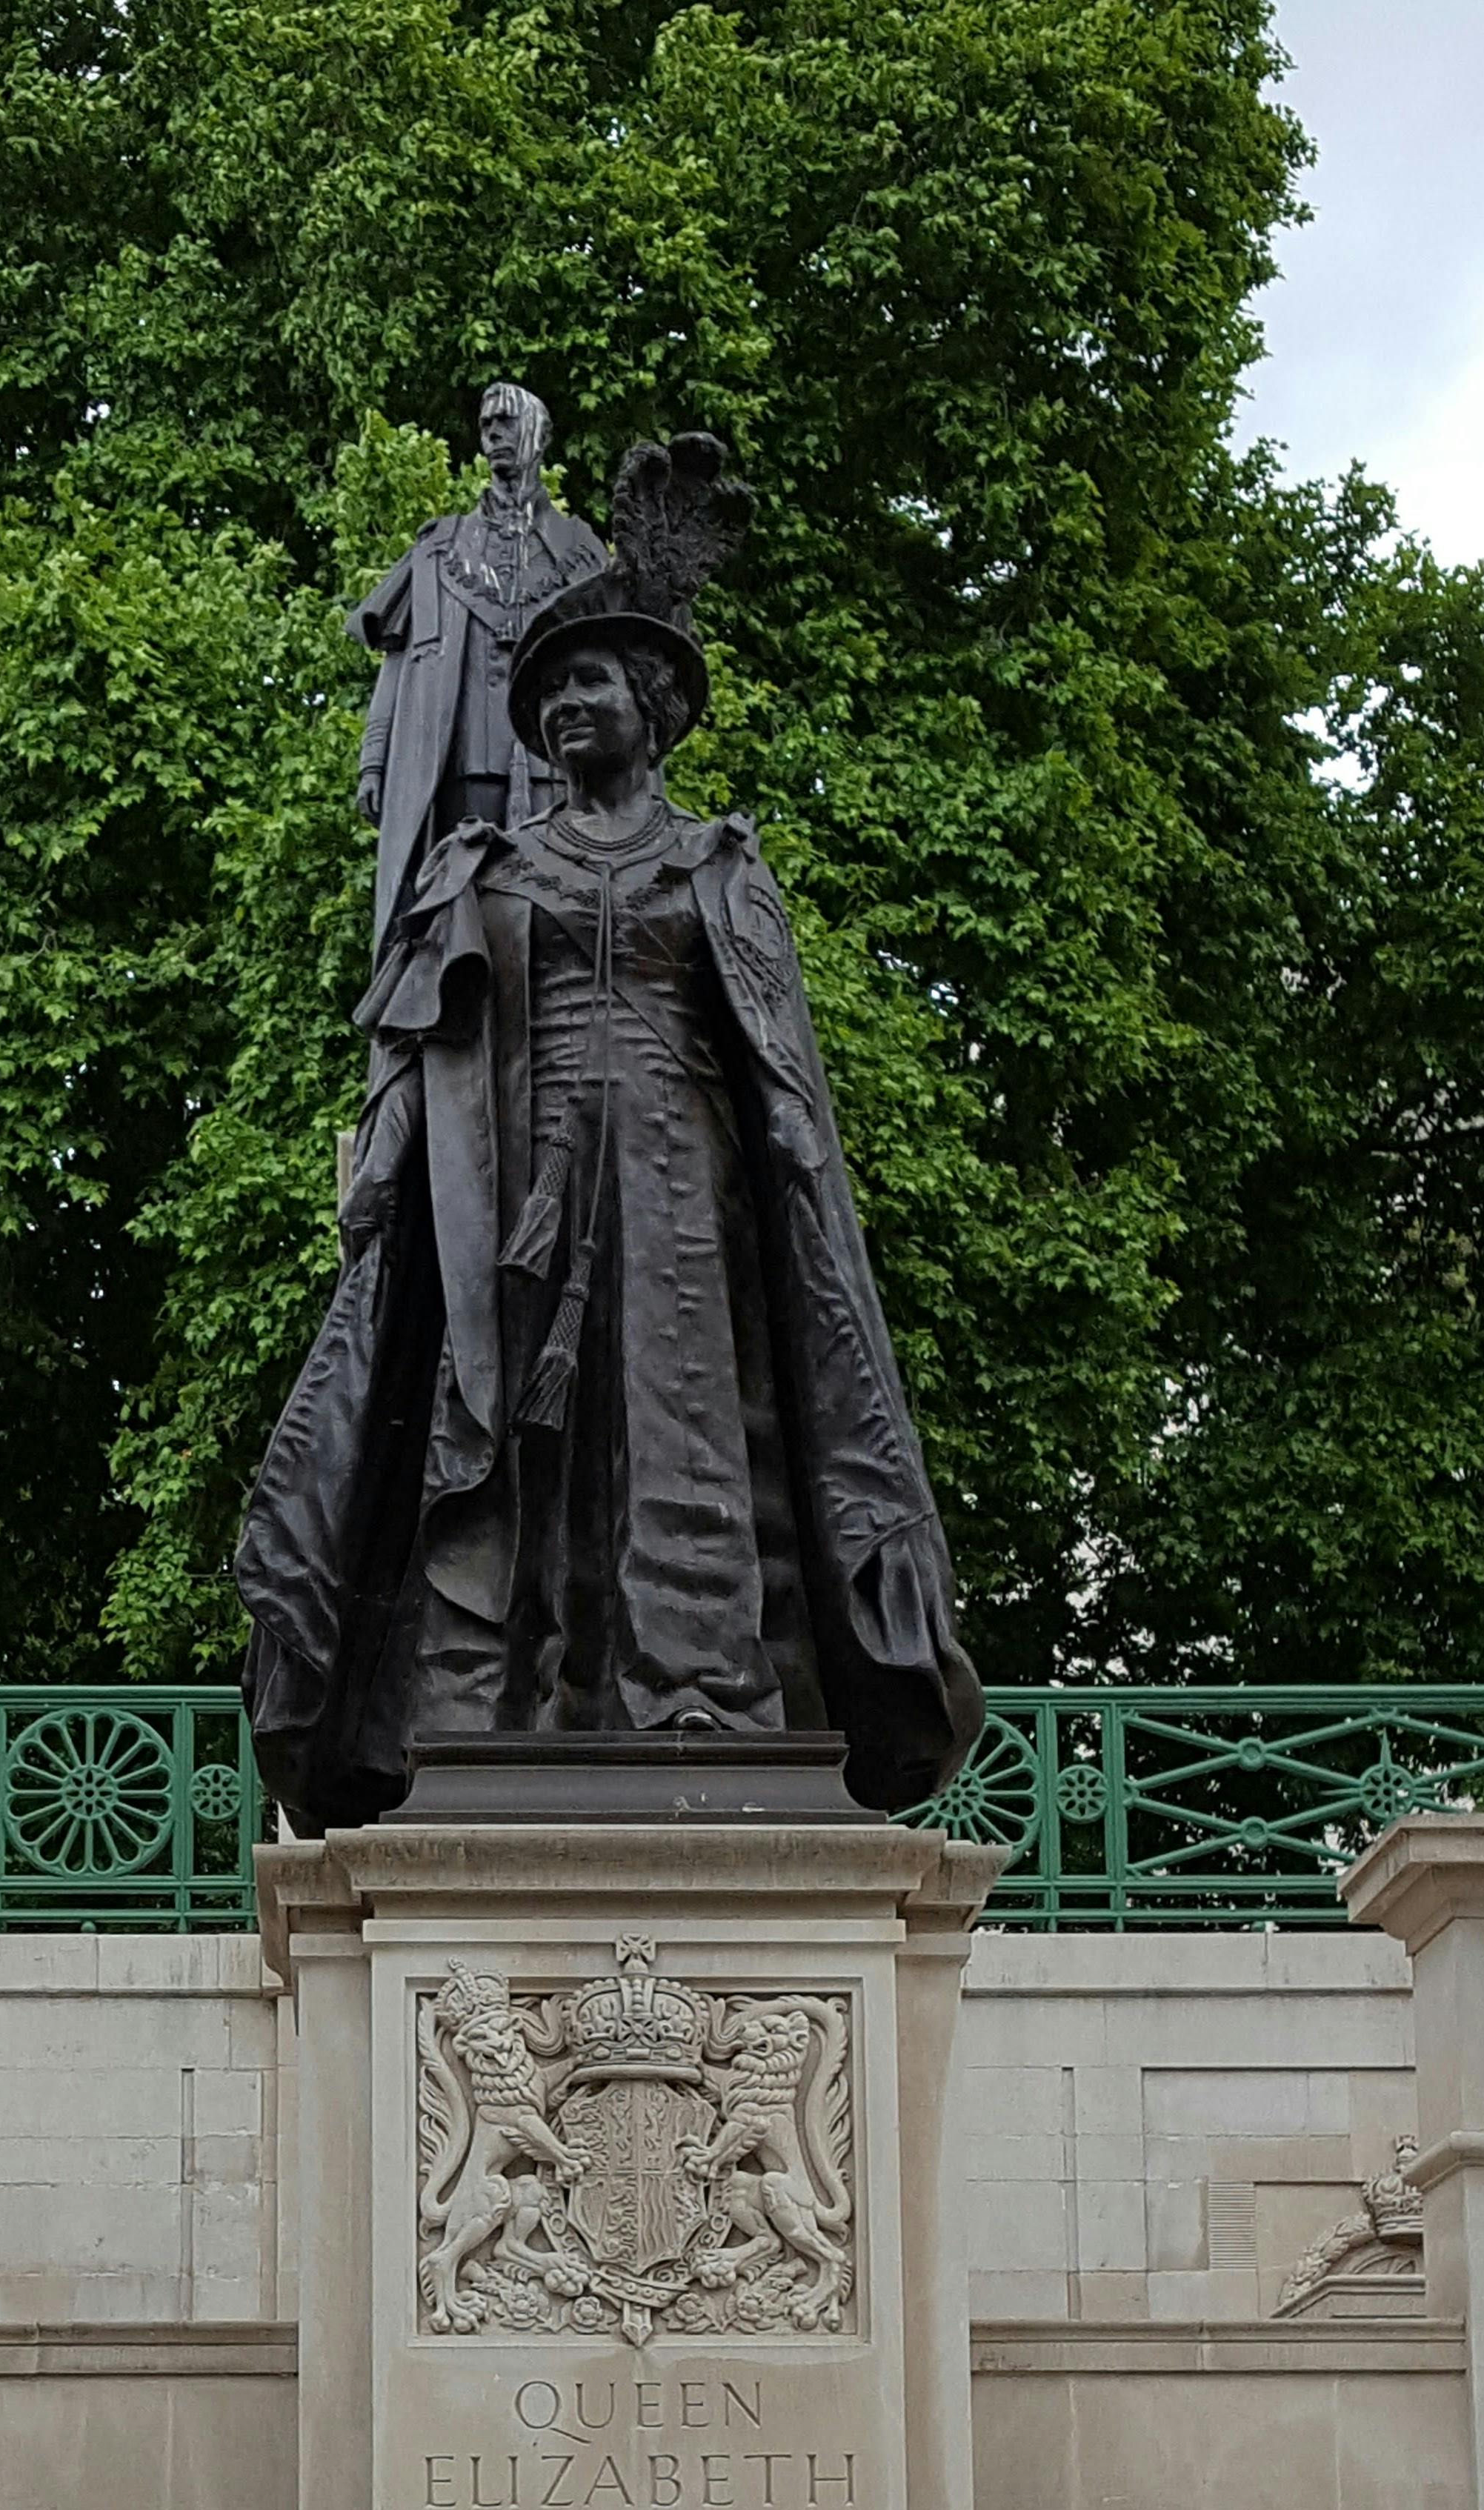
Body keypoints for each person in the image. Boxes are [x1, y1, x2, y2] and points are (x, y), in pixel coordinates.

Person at [239, 435, 982, 1828]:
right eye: (550, 694)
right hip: (513, 1189)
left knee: (681, 1424)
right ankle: (497, 1707)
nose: (567, 708)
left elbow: (779, 1072)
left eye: (592, 685)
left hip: (684, 1187)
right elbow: (418, 1040)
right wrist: (383, 1169)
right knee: (509, 1441)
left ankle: (692, 1690)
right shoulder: (486, 864)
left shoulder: (716, 864)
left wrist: (800, 1194)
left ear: (654, 706)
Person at [349, 382, 605, 961]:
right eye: (486, 424)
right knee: (456, 919)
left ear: (538, 434)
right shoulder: (440, 548)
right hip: (463, 770)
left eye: (506, 422)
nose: (492, 434)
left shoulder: (582, 553)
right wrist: (375, 760)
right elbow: (399, 657)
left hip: (556, 769)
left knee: (562, 919)